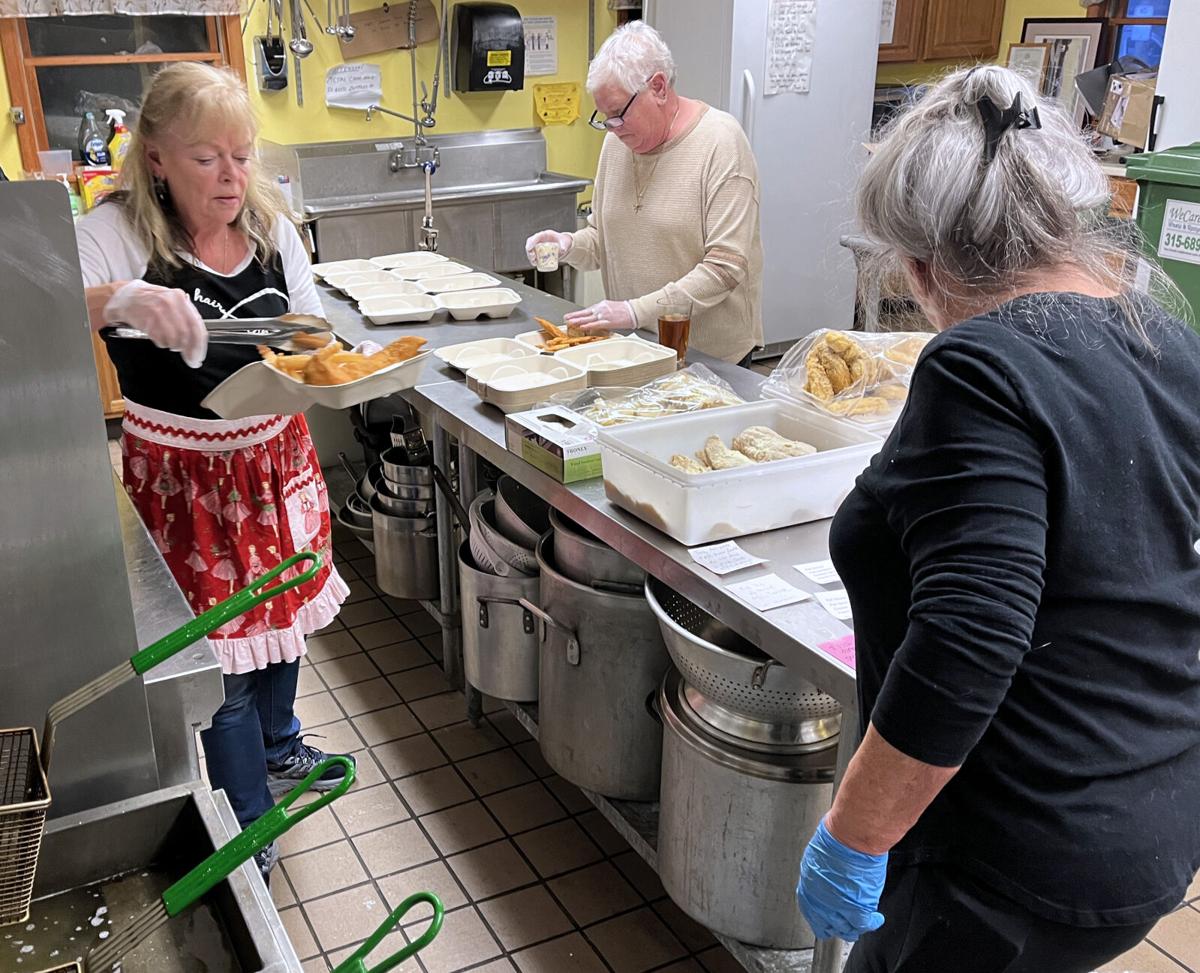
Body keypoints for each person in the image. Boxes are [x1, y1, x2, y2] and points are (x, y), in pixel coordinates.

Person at [796, 65, 1200, 972]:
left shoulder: (980, 364)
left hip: (1009, 850)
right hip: (1154, 809)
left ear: (925, 263)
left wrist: (855, 836)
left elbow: (970, 634)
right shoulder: (1164, 337)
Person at [76, 63, 354, 881]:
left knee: (281, 619)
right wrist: (120, 299)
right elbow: (35, 294)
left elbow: (312, 325)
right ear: (156, 157)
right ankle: (246, 819)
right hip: (185, 482)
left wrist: (322, 355)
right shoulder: (118, 230)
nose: (234, 177)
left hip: (275, 461)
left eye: (243, 154)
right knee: (222, 655)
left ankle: (280, 743)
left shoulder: (270, 225)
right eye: (208, 159)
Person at [524, 21, 764, 365]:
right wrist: (567, 245)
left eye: (619, 114)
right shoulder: (616, 144)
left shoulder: (721, 143)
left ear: (659, 87)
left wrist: (634, 312)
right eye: (604, 117)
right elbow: (604, 241)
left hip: (709, 357)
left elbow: (725, 268)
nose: (613, 128)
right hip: (635, 350)